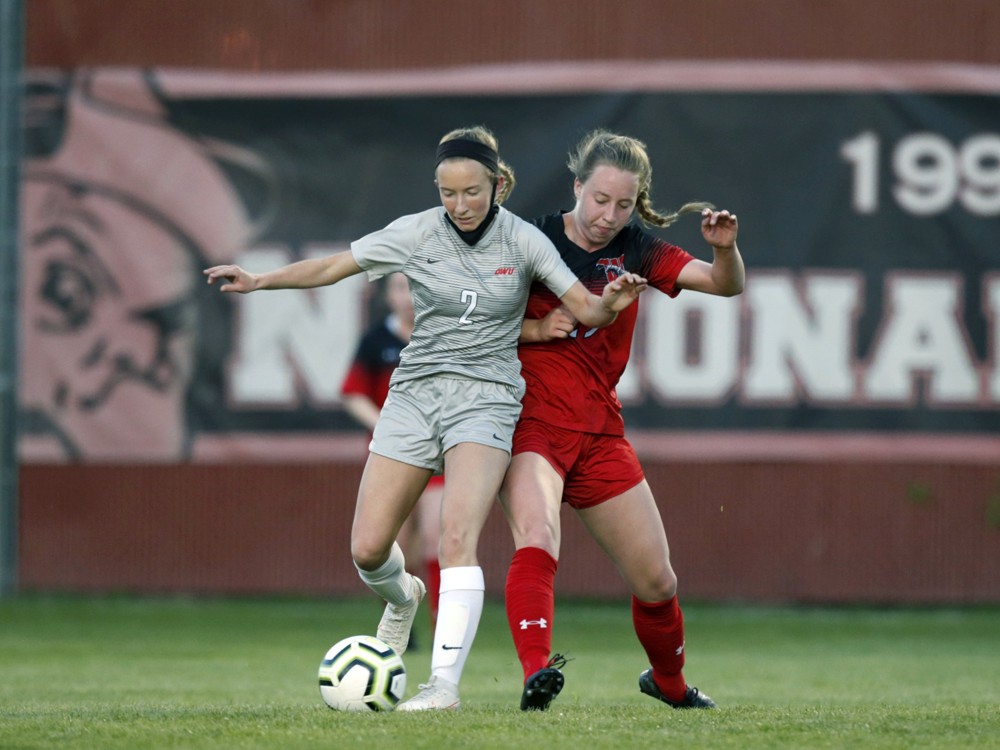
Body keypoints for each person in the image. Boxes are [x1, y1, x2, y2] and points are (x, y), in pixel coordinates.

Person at [203, 125, 648, 711]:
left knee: (455, 537)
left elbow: (587, 305)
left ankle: (443, 686)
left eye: (471, 191)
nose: (459, 205)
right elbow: (335, 266)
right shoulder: (414, 232)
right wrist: (260, 280)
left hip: (487, 396)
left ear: (497, 183)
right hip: (414, 395)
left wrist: (610, 303)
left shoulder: (524, 241)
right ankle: (402, 596)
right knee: (367, 550)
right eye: (447, 192)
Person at [501, 129, 745, 711]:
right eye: (600, 199)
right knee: (538, 537)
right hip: (530, 425)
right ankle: (537, 671)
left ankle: (668, 682)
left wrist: (725, 249)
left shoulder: (638, 248)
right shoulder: (527, 239)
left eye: (624, 204)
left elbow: (724, 287)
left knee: (658, 581)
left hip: (600, 434)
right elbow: (470, 324)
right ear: (577, 186)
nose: (609, 216)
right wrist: (536, 329)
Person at [340, 271, 444, 637]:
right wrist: (386, 424)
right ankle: (401, 618)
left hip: (437, 456)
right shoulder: (376, 341)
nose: (410, 297)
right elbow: (352, 393)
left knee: (436, 536)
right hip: (392, 456)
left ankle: (443, 627)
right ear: (388, 296)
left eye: (418, 288)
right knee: (394, 545)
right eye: (401, 288)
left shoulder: (443, 336)